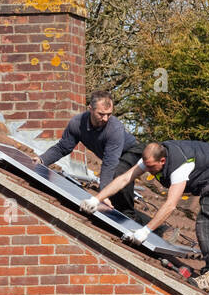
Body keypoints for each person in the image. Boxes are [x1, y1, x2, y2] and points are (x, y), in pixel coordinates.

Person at [87, 139, 209, 295]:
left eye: (151, 167)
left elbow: (171, 205)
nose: (148, 171)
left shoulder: (179, 166)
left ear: (162, 160)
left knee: (207, 224)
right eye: (146, 166)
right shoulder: (152, 158)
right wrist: (97, 199)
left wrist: (145, 231)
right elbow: (125, 178)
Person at [36, 90, 144, 218]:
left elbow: (110, 164)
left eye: (109, 114)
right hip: (115, 159)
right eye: (101, 114)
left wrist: (101, 197)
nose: (105, 119)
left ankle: (129, 216)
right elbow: (63, 147)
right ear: (90, 109)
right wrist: (42, 160)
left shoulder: (114, 128)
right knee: (114, 182)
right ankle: (114, 212)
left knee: (119, 172)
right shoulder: (77, 123)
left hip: (132, 151)